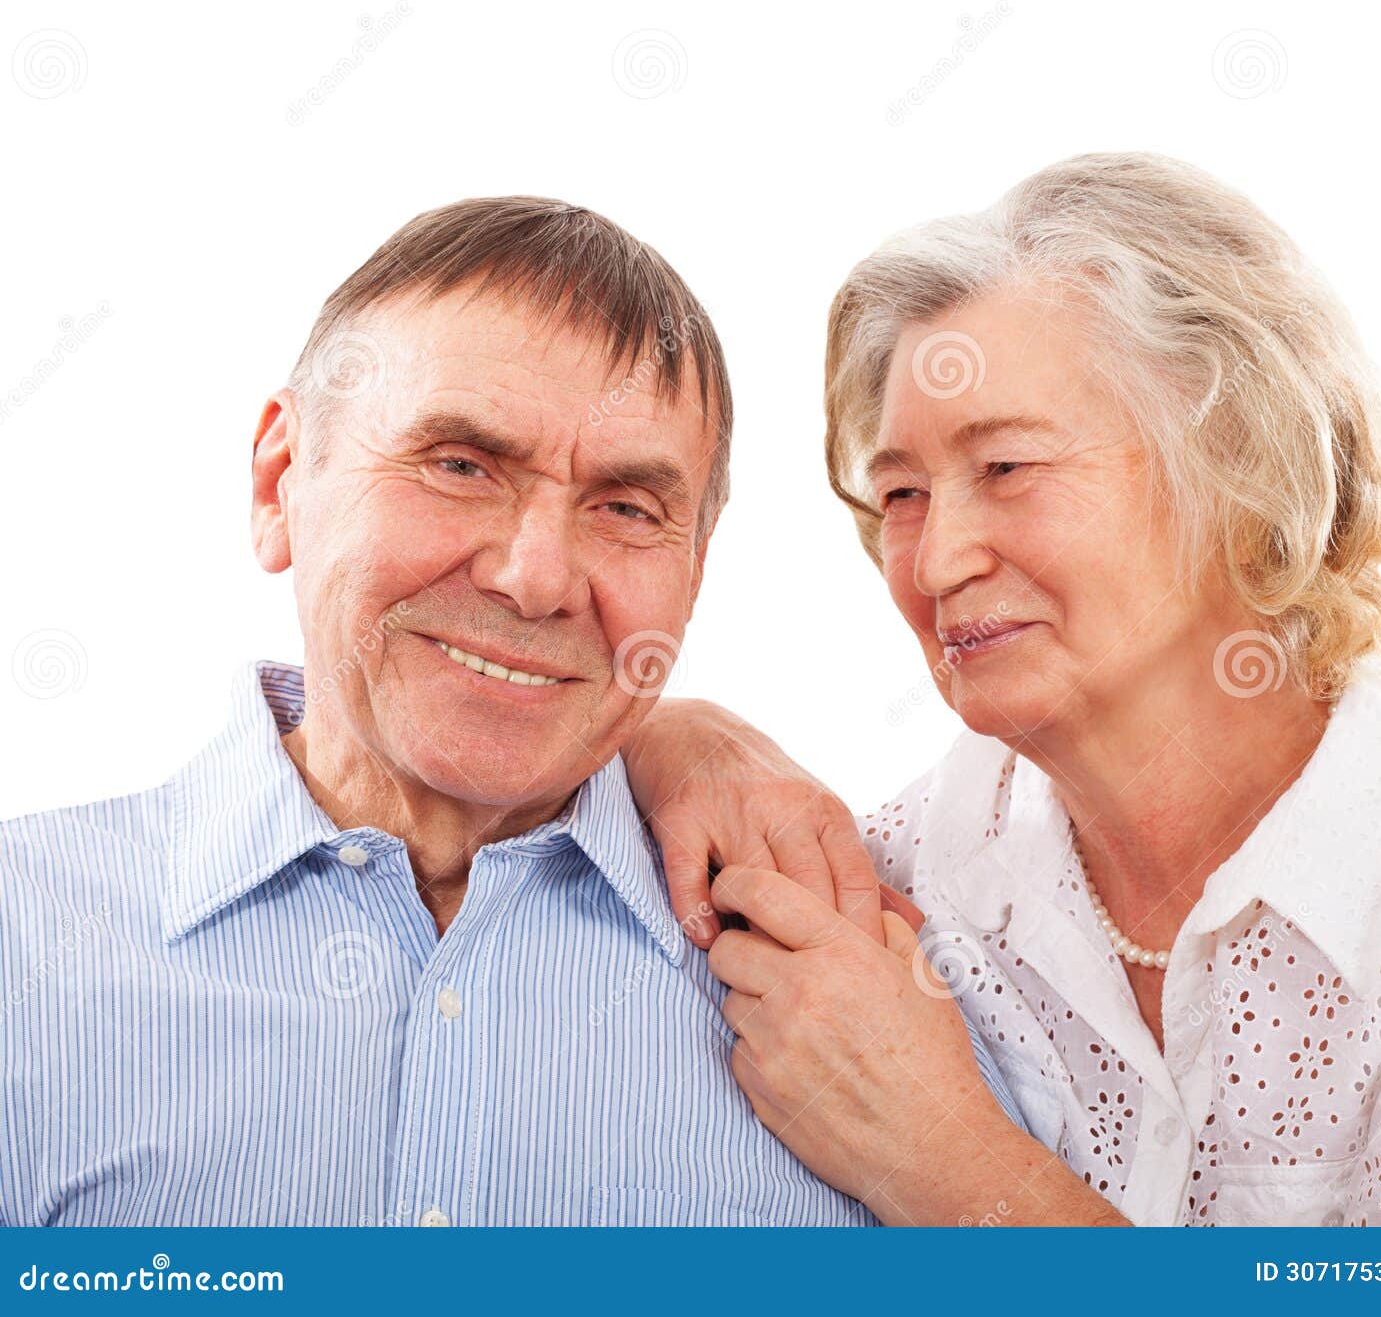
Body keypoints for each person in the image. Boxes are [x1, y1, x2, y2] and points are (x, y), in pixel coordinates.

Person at [0, 196, 1023, 1228]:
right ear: (280, 481)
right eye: (459, 466)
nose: (535, 578)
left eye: (626, 507)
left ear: (696, 568)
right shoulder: (24, 945)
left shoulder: (876, 1001)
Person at [623, 152, 1381, 1226]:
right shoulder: (892, 877)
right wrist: (661, 730)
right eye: (901, 491)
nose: (937, 561)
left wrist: (951, 1163)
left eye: (1007, 468)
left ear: (1238, 465)